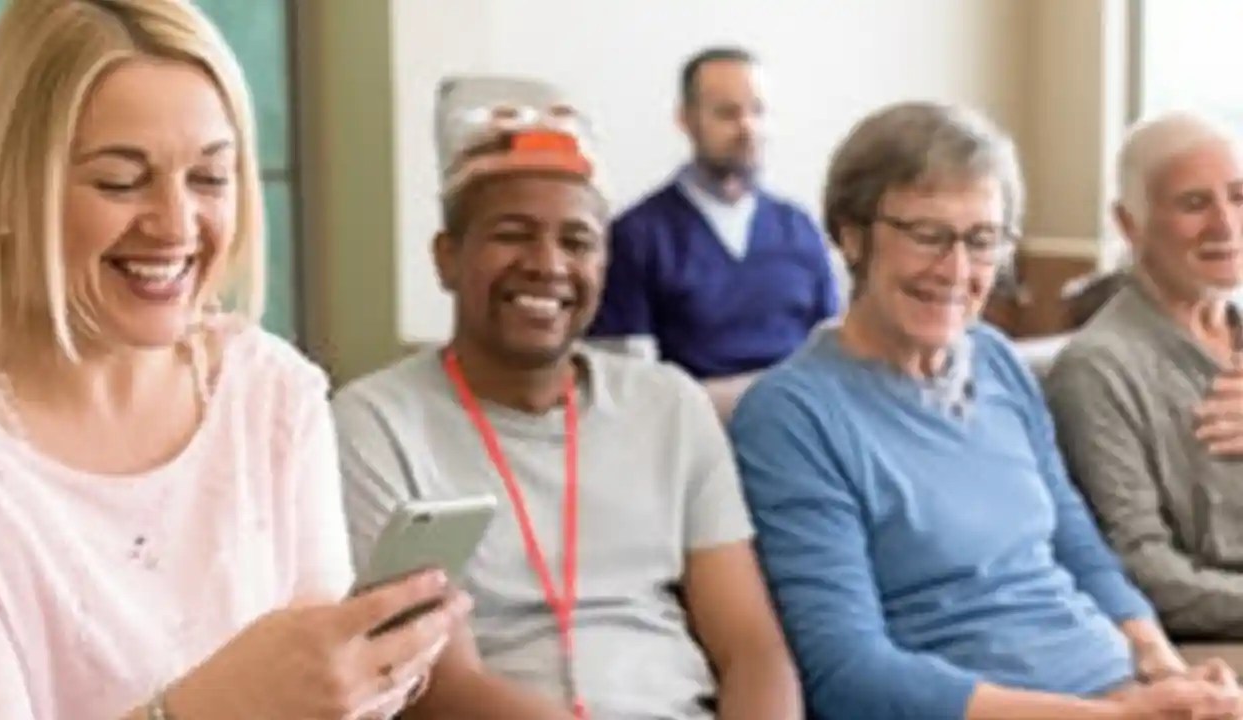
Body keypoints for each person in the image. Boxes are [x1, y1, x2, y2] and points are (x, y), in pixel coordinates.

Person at [0, 1, 468, 718]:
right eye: (120, 180)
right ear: (14, 184)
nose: (175, 226)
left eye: (209, 178)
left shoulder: (273, 393)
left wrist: (371, 673)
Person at [729, 101, 1243, 720]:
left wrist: (1166, 669)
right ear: (851, 234)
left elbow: (1077, 545)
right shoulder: (792, 416)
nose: (956, 270)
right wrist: (1113, 717)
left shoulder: (994, 360)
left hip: (1109, 685)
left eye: (982, 240)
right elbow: (849, 673)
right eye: (926, 235)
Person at [334, 75, 801, 720]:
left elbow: (753, 650)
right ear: (446, 258)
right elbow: (439, 686)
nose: (547, 264)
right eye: (513, 234)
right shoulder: (377, 422)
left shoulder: (671, 405)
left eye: (577, 242)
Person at [1045, 112, 1243, 654]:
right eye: (1194, 204)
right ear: (1130, 225)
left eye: (1238, 196)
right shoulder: (1096, 373)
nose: (1225, 225)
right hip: (1205, 639)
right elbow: (1143, 571)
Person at [587, 47, 841, 420]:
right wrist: (765, 396)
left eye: (758, 111)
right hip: (692, 444)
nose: (747, 127)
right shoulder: (637, 236)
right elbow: (628, 392)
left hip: (807, 436)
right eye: (727, 113)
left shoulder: (799, 229)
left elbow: (837, 356)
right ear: (686, 120)